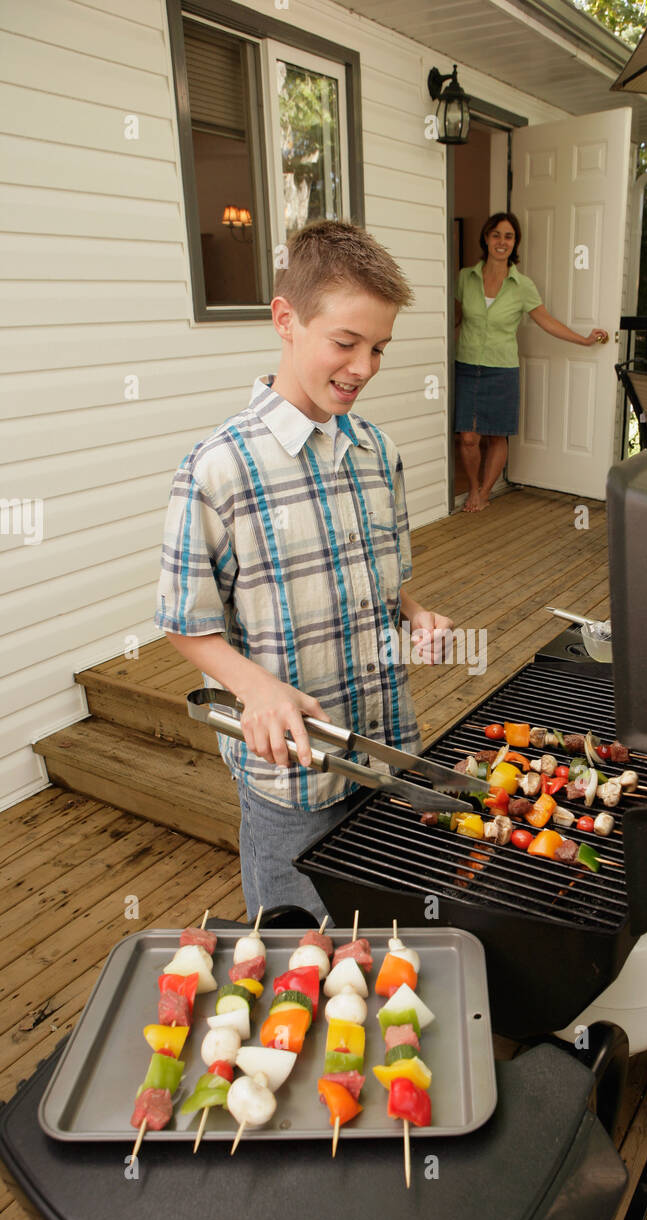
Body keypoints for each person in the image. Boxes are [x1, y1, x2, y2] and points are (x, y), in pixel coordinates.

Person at [154, 220, 454, 922]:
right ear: (286, 320)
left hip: (385, 750)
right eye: (346, 343)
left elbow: (387, 575)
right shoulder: (216, 469)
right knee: (298, 955)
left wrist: (415, 614)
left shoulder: (378, 451)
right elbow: (183, 624)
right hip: (291, 782)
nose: (364, 367)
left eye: (378, 348)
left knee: (383, 934)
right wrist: (255, 689)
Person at [454, 211, 609, 511]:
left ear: (515, 243)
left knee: (498, 435)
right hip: (468, 366)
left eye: (508, 236)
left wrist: (585, 339)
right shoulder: (465, 277)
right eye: (496, 234)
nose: (502, 241)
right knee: (469, 437)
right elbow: (456, 315)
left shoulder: (522, 285)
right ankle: (472, 486)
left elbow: (547, 322)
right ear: (485, 238)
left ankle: (484, 492)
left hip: (502, 370)